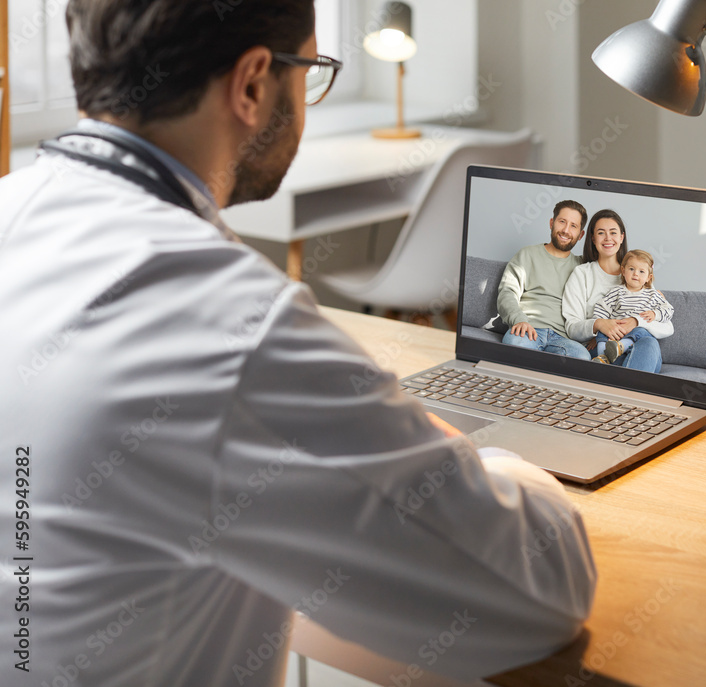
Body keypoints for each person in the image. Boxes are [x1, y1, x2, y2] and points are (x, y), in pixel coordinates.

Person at [0, 3, 596, 686]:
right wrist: (483, 455)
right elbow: (538, 593)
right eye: (310, 73)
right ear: (254, 83)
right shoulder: (230, 326)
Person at [562, 209, 664, 373]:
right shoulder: (582, 274)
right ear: (593, 238)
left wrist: (636, 322)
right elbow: (571, 327)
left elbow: (666, 326)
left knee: (649, 344)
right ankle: (629, 395)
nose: (608, 238)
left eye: (613, 232)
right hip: (602, 351)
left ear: (622, 237)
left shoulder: (638, 274)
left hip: (639, 349)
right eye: (601, 233)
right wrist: (599, 324)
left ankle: (623, 394)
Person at [497, 200, 592, 360]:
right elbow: (507, 293)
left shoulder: (583, 267)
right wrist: (519, 320)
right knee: (514, 345)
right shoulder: (527, 254)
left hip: (564, 339)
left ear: (581, 235)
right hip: (528, 330)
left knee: (582, 357)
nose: (566, 230)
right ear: (551, 223)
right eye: (562, 222)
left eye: (573, 226)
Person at [592, 249, 674, 364]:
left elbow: (668, 310)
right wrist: (599, 327)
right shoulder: (616, 292)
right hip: (616, 333)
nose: (635, 274)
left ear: (648, 277)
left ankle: (622, 346)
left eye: (641, 271)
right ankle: (603, 357)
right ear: (623, 271)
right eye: (631, 269)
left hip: (636, 340)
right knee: (603, 330)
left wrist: (655, 314)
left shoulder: (653, 295)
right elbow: (602, 308)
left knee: (642, 330)